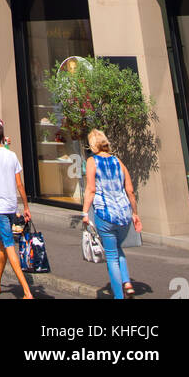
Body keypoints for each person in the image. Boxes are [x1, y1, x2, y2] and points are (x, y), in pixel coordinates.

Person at [81, 128, 142, 299]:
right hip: (123, 214)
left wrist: (85, 212)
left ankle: (118, 295)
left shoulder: (92, 161)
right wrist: (135, 213)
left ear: (92, 145)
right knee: (117, 248)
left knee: (111, 256)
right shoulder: (118, 161)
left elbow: (91, 189)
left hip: (105, 213)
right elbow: (130, 190)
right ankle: (127, 282)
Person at [0, 122, 33, 299]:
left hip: (0, 206)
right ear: (3, 137)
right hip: (12, 205)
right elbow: (20, 184)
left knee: (9, 245)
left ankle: (26, 291)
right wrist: (25, 207)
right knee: (3, 244)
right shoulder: (12, 155)